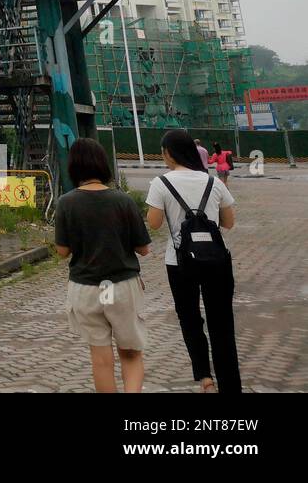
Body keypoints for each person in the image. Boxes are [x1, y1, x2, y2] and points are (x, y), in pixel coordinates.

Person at [54, 138, 152, 392]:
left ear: (74, 167)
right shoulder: (124, 201)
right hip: (121, 286)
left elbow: (62, 252)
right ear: (102, 165)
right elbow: (143, 248)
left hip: (86, 289)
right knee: (130, 354)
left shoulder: (66, 202)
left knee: (100, 360)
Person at [146, 129, 240, 393]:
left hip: (180, 262)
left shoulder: (160, 183)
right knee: (221, 322)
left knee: (190, 318)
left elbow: (154, 225)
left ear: (168, 153)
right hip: (217, 260)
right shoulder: (214, 182)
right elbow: (229, 223)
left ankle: (205, 378)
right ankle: (231, 386)